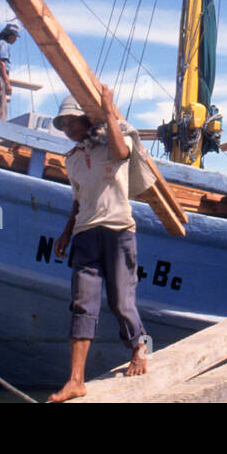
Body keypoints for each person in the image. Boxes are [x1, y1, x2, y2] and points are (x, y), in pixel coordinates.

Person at [48, 84, 148, 403]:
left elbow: (121, 154)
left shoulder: (113, 140)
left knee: (121, 301)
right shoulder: (72, 159)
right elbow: (78, 200)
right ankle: (76, 380)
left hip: (119, 229)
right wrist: (66, 234)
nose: (67, 129)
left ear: (87, 120)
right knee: (82, 305)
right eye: (63, 125)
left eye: (71, 122)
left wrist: (107, 107)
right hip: (85, 235)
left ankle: (139, 348)